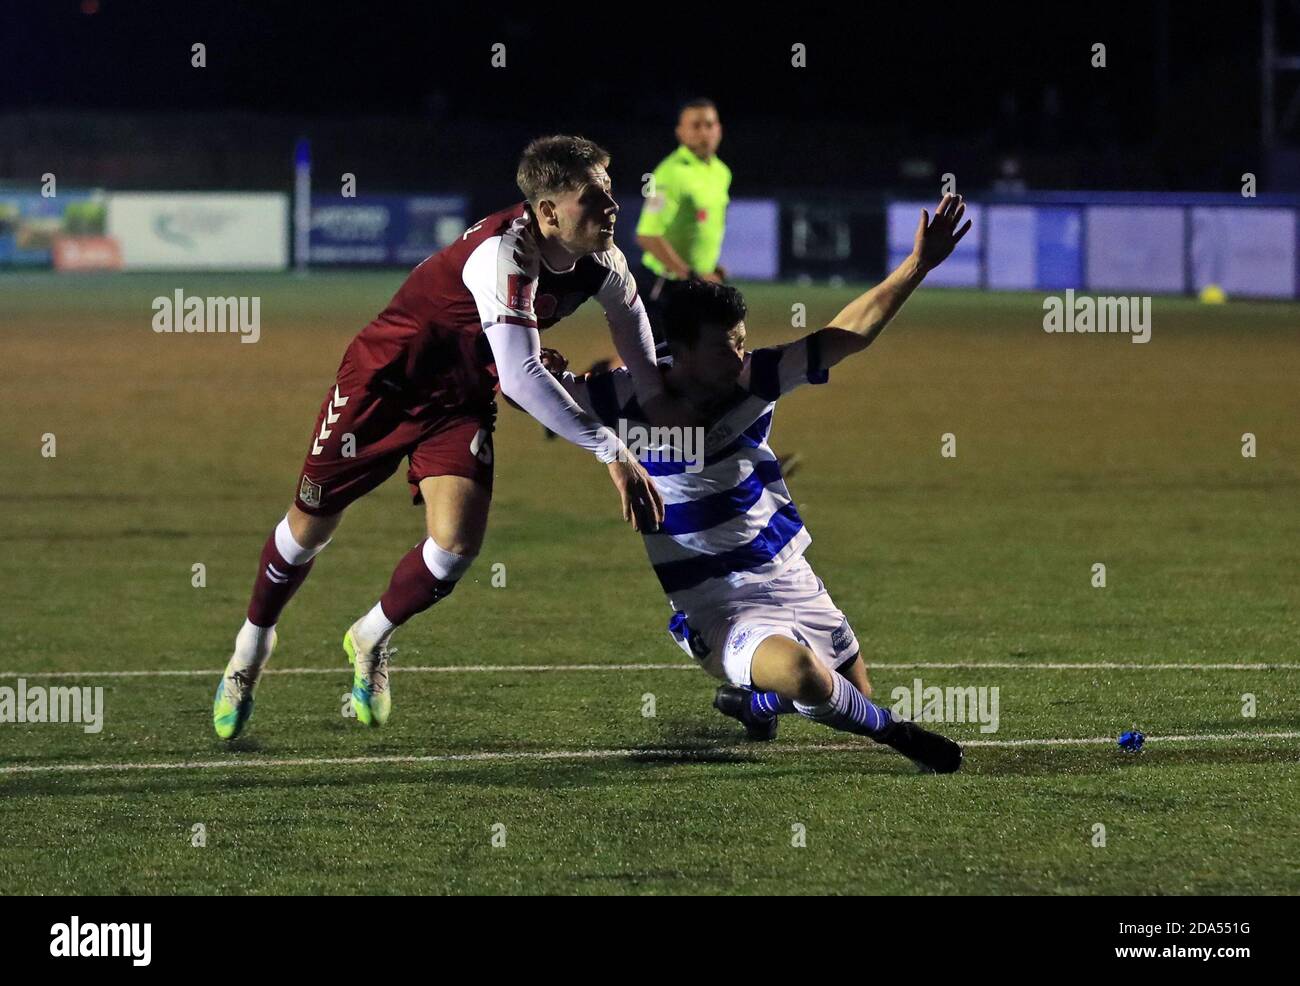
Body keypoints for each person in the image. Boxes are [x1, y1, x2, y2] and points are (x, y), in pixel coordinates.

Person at [213, 135, 689, 740]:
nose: (611, 205)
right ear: (547, 212)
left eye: (609, 190)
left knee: (456, 546)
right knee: (308, 531)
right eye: (591, 196)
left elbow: (637, 349)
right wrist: (612, 451)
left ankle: (370, 636)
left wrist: (672, 418)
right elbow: (522, 375)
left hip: (459, 400)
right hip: (380, 387)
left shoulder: (605, 261)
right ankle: (250, 650)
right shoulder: (504, 255)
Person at [553, 195, 972, 772]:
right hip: (716, 601)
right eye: (726, 346)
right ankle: (900, 736)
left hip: (786, 571)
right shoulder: (624, 396)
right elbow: (529, 391)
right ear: (682, 350)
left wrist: (917, 265)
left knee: (846, 694)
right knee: (810, 679)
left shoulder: (755, 378)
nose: (739, 356)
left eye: (743, 341)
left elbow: (849, 333)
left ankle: (754, 702)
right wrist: (539, 369)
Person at [634, 98, 731, 339]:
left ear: (719, 129)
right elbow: (647, 235)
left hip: (698, 286)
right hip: (666, 286)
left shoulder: (721, 171)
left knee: (695, 361)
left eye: (709, 125)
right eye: (696, 126)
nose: (704, 132)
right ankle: (595, 376)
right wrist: (690, 274)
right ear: (680, 132)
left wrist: (710, 268)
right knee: (653, 364)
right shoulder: (670, 173)